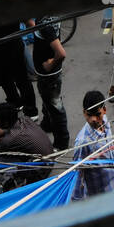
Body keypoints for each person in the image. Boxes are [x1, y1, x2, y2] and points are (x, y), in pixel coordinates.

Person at [72, 91, 114, 227]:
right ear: (84, 113)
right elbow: (77, 176)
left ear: (104, 110)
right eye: (89, 115)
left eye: (97, 114)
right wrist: (76, 205)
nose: (94, 119)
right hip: (97, 198)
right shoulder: (83, 142)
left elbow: (111, 145)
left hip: (111, 189)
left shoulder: (105, 123)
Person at [30, 15, 69, 147]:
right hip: (46, 74)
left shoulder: (44, 23)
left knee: (55, 107)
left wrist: (50, 64)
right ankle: (47, 124)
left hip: (49, 75)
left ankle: (61, 143)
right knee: (48, 100)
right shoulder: (47, 16)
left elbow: (61, 53)